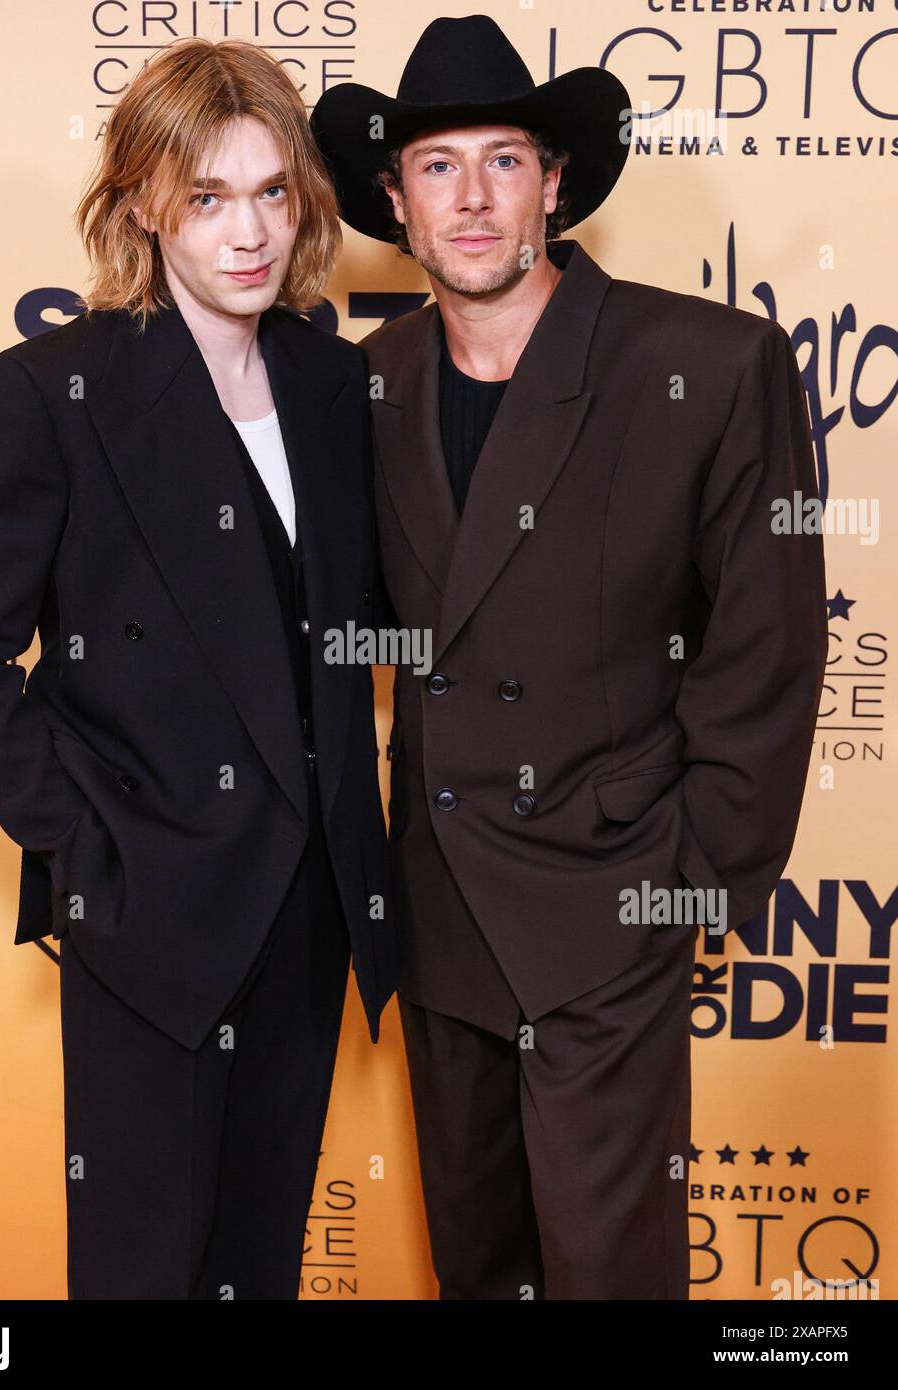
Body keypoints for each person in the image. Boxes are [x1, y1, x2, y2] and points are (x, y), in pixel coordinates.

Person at [311, 14, 827, 1299]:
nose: (471, 197)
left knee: (608, 1274)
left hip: (608, 903)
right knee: (475, 1266)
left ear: (553, 182)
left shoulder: (703, 364)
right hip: (436, 907)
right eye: (437, 167)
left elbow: (766, 649)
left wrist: (682, 882)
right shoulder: (366, 386)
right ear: (395, 200)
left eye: (502, 161)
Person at [0, 36, 396, 1300]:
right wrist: (90, 853)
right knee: (141, 1270)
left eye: (272, 193)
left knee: (256, 1267)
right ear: (142, 204)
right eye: (207, 198)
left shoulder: (333, 378)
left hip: (310, 915)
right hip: (150, 915)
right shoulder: (49, 393)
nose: (248, 233)